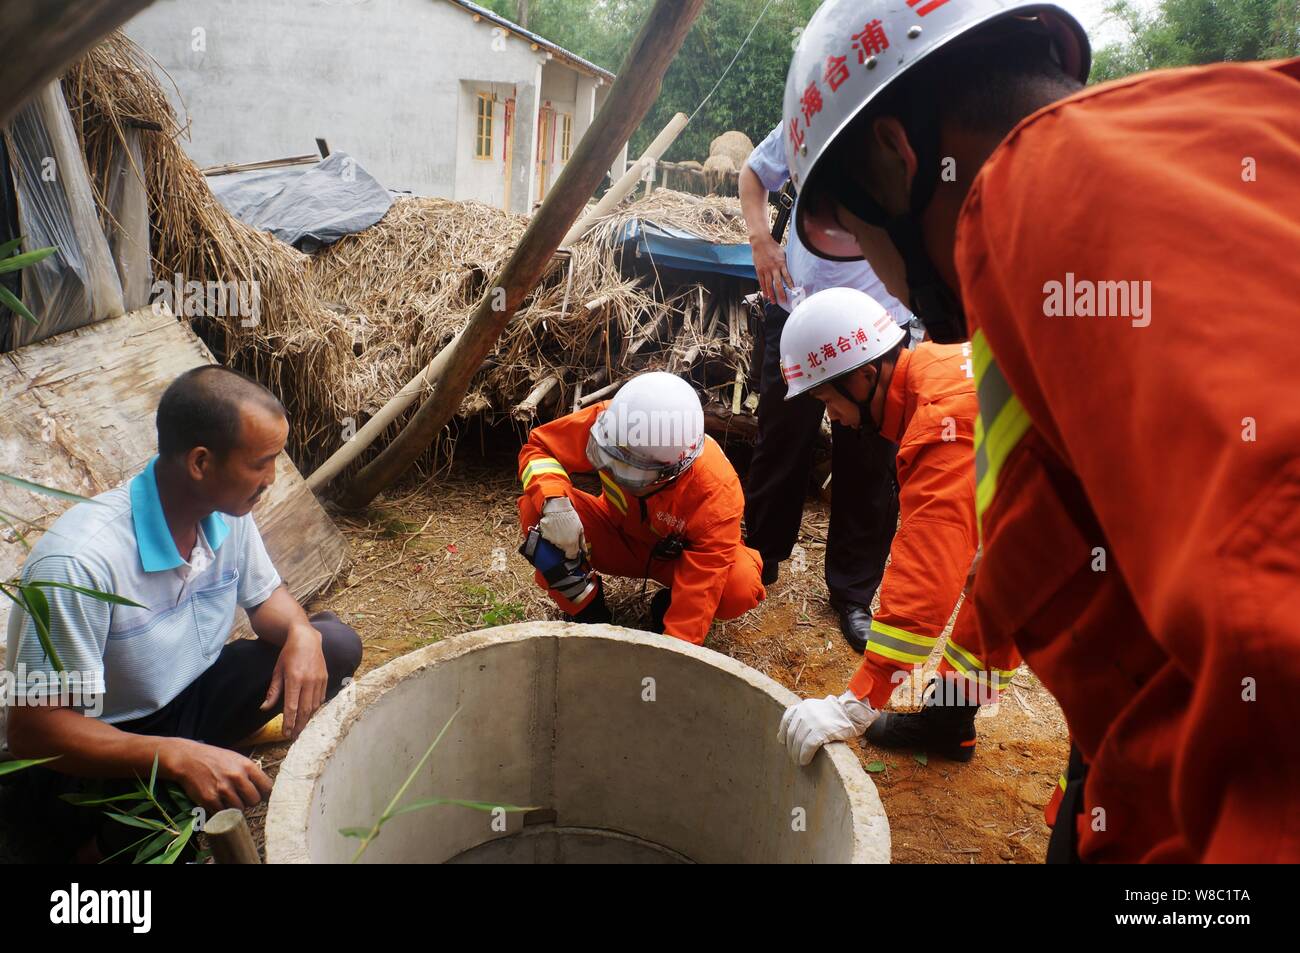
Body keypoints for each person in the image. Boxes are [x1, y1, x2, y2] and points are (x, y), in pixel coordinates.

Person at [780, 0, 1300, 862]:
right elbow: (1029, 560)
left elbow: (1269, 644)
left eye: (859, 236)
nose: (881, 277)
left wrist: (862, 695)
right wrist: (956, 699)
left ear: (892, 159)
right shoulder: (1228, 127)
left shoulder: (1033, 203)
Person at [2, 366, 362, 859]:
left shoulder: (225, 512)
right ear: (200, 462)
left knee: (332, 641)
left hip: (192, 695)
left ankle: (199, 757)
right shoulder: (77, 564)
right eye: (262, 463)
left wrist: (300, 633)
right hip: (111, 736)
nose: (272, 480)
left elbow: (267, 600)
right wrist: (172, 755)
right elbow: (31, 730)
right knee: (161, 832)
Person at [774, 288, 1014, 765]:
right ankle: (949, 722)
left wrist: (856, 704)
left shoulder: (942, 424)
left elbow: (924, 584)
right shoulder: (934, 365)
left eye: (827, 399)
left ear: (864, 378)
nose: (833, 418)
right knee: (1005, 584)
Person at [740, 123, 913, 652]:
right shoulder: (807, 119)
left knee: (869, 462)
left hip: (878, 329)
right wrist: (761, 239)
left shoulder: (911, 129)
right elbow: (753, 176)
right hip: (797, 316)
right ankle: (759, 559)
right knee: (780, 442)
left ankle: (853, 593)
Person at [517, 372, 765, 644]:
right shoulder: (617, 422)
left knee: (740, 586)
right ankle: (587, 611)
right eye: (611, 458)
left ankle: (666, 608)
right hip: (613, 534)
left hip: (674, 562)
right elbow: (540, 447)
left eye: (632, 471)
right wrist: (555, 502)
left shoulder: (717, 492)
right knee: (536, 510)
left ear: (673, 471)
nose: (614, 470)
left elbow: (703, 583)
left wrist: (673, 652)